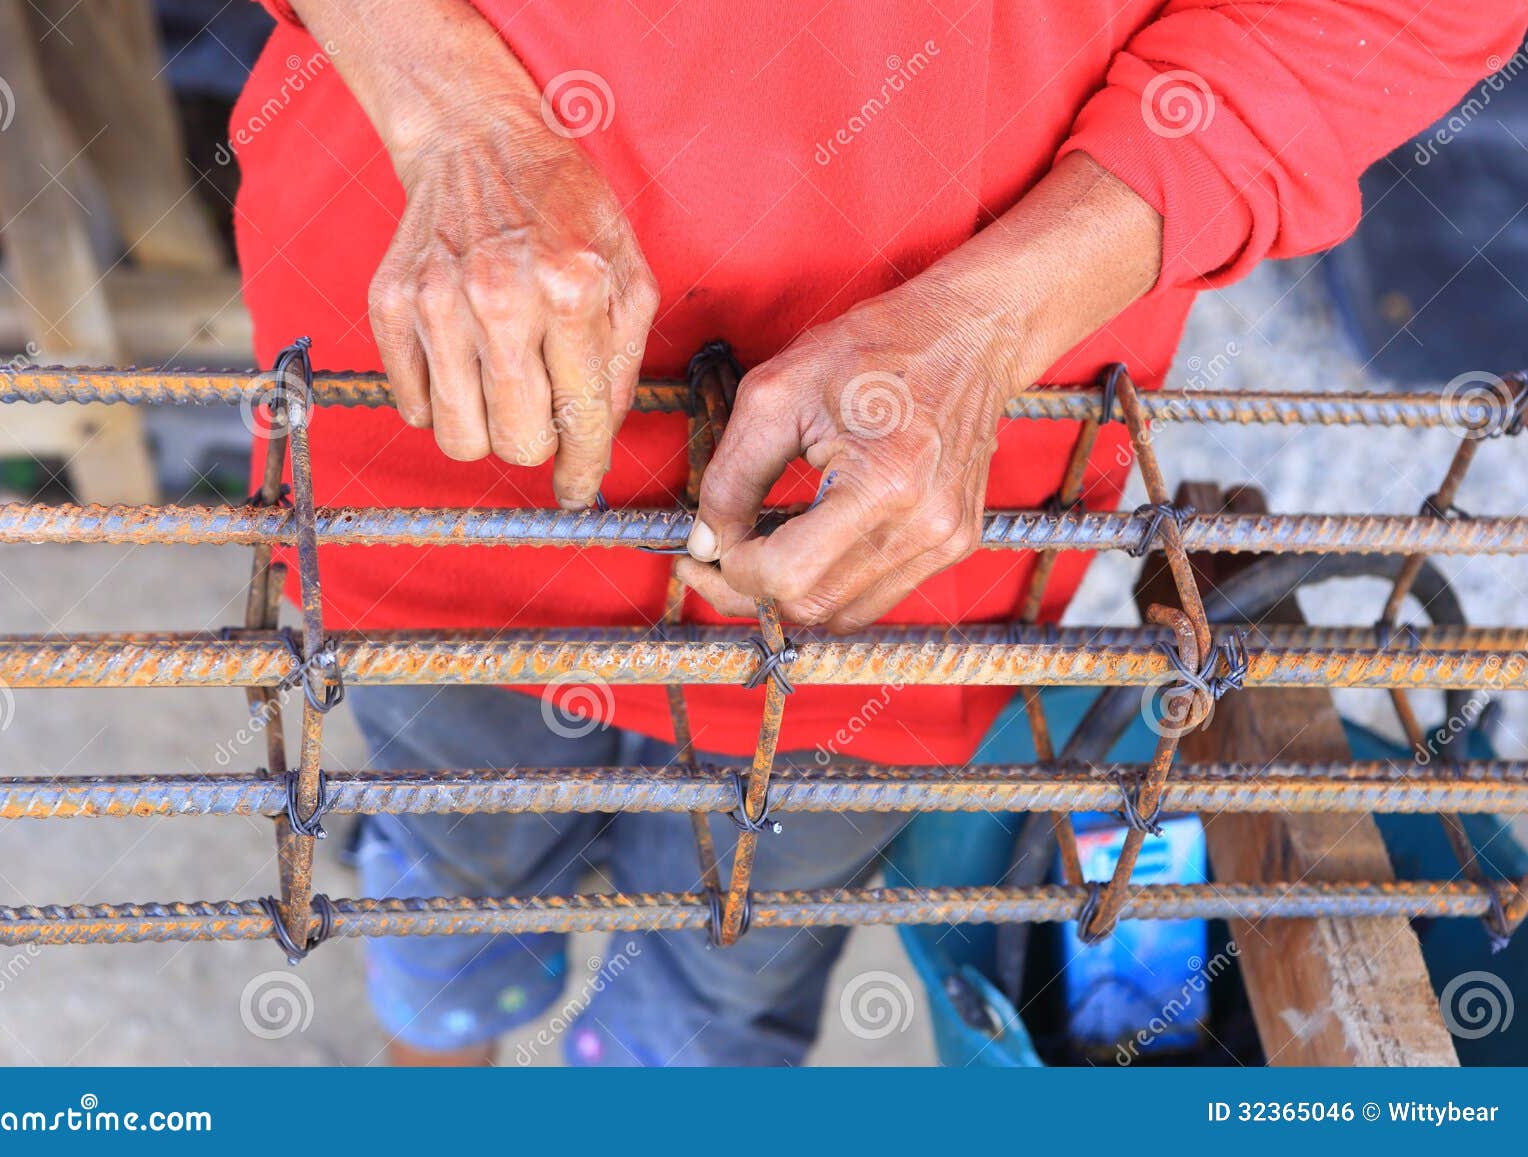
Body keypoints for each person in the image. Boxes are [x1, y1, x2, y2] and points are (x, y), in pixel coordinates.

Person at [235, 0, 1528, 1066]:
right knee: (453, 851)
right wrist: (460, 115)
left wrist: (992, 315)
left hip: (916, 471)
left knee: (734, 963)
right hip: (446, 361)